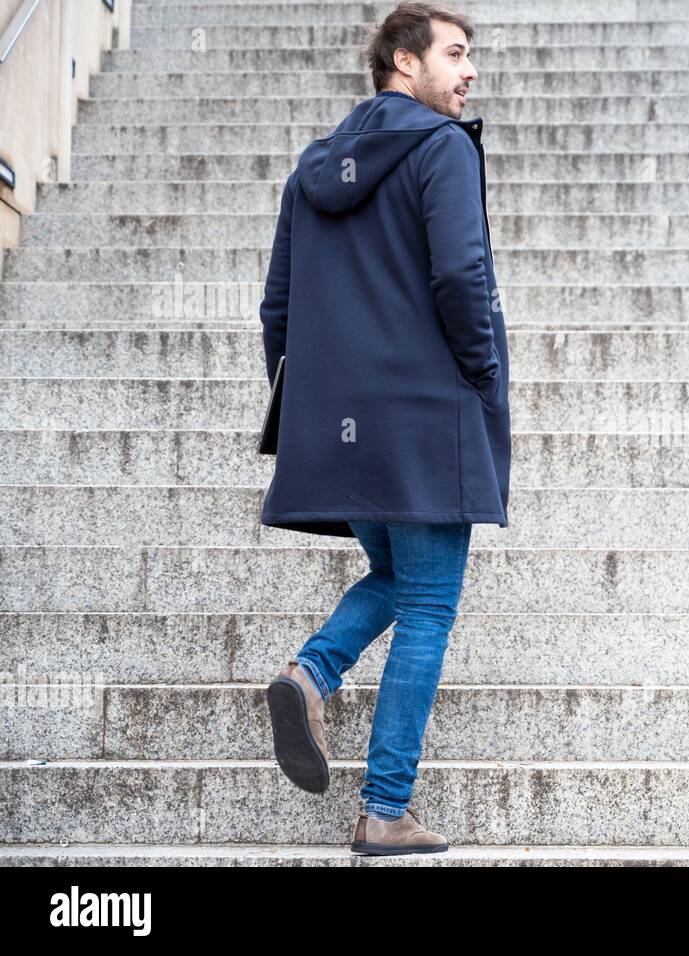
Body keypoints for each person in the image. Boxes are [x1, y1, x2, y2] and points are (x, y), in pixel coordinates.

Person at [257, 2, 508, 856]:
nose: (470, 72)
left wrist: (315, 416)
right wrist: (478, 378)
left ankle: (311, 673)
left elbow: (276, 308)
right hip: (426, 415)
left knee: (396, 576)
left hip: (343, 425)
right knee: (431, 600)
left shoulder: (312, 168)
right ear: (404, 62)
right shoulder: (443, 148)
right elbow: (462, 273)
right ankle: (385, 807)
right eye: (457, 54)